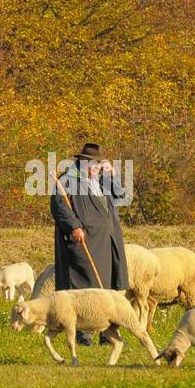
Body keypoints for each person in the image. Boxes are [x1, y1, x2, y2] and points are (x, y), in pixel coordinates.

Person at [49, 143, 129, 344]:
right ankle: (84, 334)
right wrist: (74, 226)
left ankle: (108, 333)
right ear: (84, 163)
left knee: (107, 287)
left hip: (106, 241)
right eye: (95, 165)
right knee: (84, 285)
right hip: (84, 240)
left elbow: (122, 196)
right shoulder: (67, 180)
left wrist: (113, 175)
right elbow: (59, 206)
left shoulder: (102, 181)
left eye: (100, 165)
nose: (98, 169)